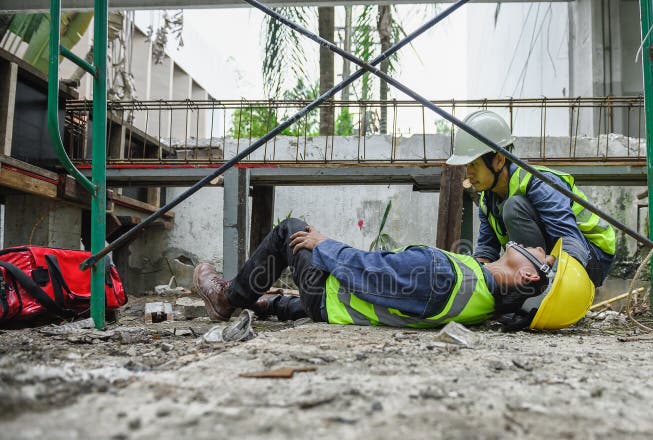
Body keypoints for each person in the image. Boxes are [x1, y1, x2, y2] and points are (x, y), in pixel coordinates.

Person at [193, 217, 595, 332]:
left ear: (528, 278)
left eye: (545, 258)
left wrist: (325, 245)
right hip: (340, 311)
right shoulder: (483, 306)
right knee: (299, 293)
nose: (541, 248)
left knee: (291, 232)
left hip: (329, 297)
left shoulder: (446, 275)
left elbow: (372, 273)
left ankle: (229, 298)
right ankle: (270, 304)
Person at [446, 110, 616, 287]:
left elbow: (570, 241)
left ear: (499, 160)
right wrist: (472, 278)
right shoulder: (487, 201)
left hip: (591, 257)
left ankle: (539, 288)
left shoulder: (538, 182)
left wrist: (558, 289)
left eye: (473, 164)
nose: (469, 173)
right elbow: (486, 251)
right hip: (554, 258)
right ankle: (534, 286)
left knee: (514, 207)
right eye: (467, 166)